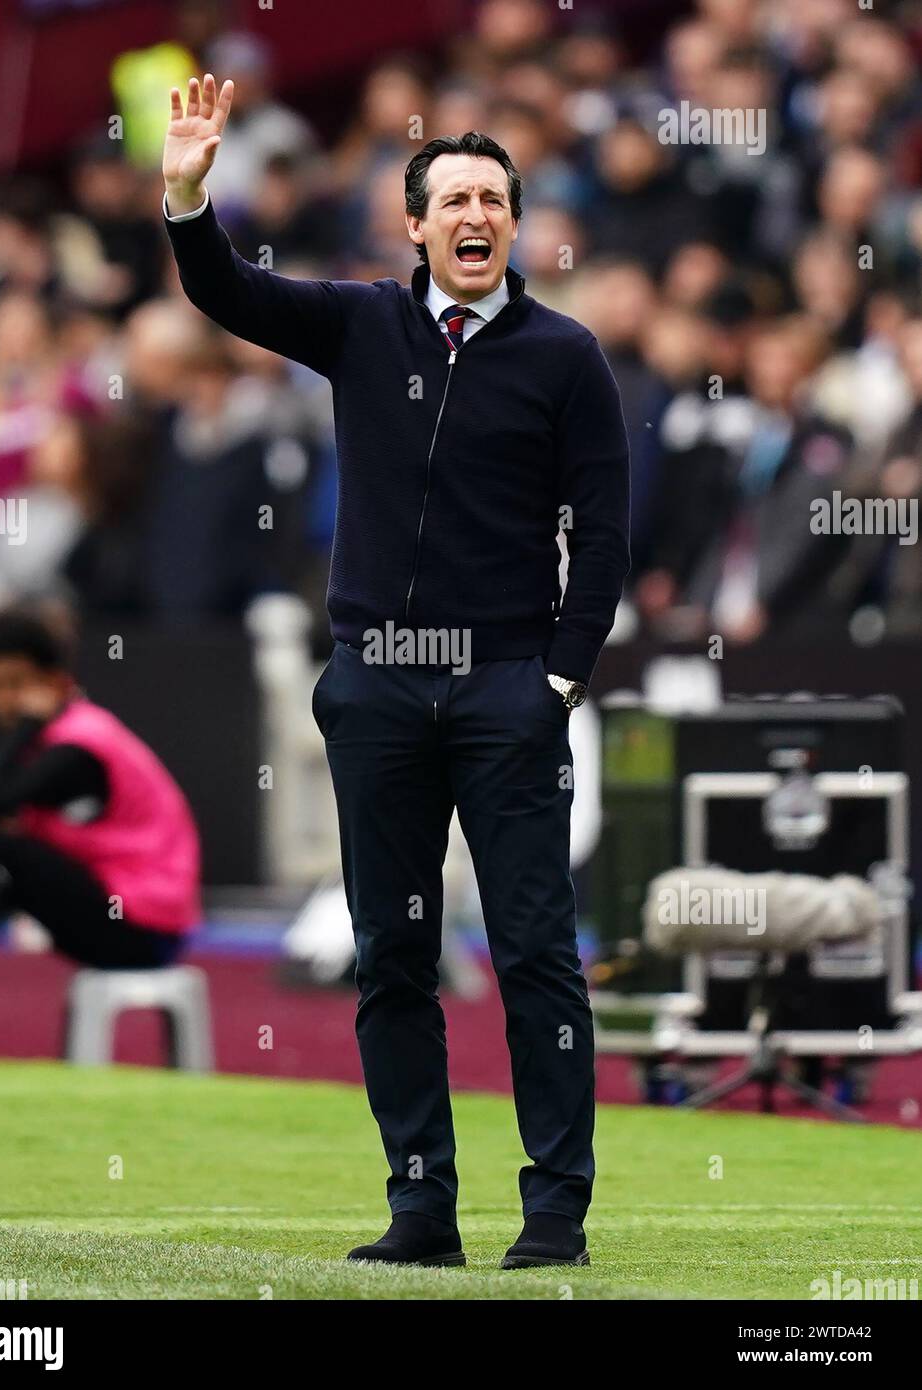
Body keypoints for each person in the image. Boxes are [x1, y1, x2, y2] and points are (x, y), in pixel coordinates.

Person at [163, 75, 630, 1269]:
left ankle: (554, 1214)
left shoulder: (566, 357)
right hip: (374, 687)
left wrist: (559, 683)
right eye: (452, 197)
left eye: (493, 197)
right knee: (391, 957)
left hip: (504, 689)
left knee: (533, 954)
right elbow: (226, 288)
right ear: (413, 225)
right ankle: (420, 1207)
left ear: (512, 225)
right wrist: (183, 193)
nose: (474, 214)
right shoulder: (360, 324)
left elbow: (605, 532)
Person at [0, 610, 201, 1053]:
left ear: (55, 679)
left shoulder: (79, 746)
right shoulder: (47, 739)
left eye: (15, 684)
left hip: (143, 927)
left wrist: (25, 726)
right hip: (108, 908)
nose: (2, 701)